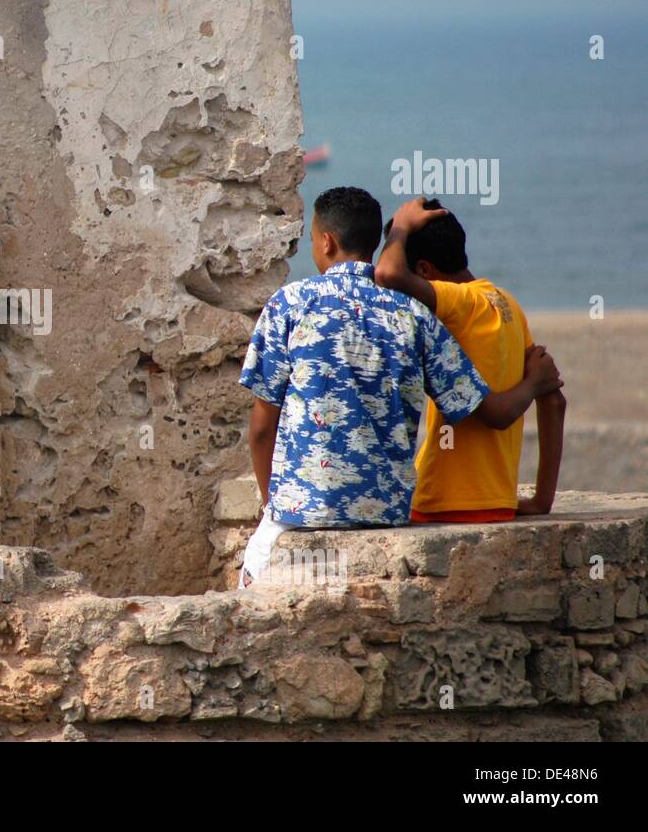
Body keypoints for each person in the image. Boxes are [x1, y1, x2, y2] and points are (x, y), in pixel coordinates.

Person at [236, 187, 562, 588]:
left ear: (326, 242)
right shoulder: (416, 315)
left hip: (300, 512)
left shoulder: (288, 304)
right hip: (387, 511)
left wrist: (275, 505)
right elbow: (490, 410)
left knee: (251, 581)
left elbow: (262, 429)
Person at [374, 197, 567, 522]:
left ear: (423, 271)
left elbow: (387, 274)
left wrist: (402, 225)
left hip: (440, 500)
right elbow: (554, 402)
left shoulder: (457, 303)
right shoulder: (508, 304)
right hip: (499, 502)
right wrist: (541, 500)